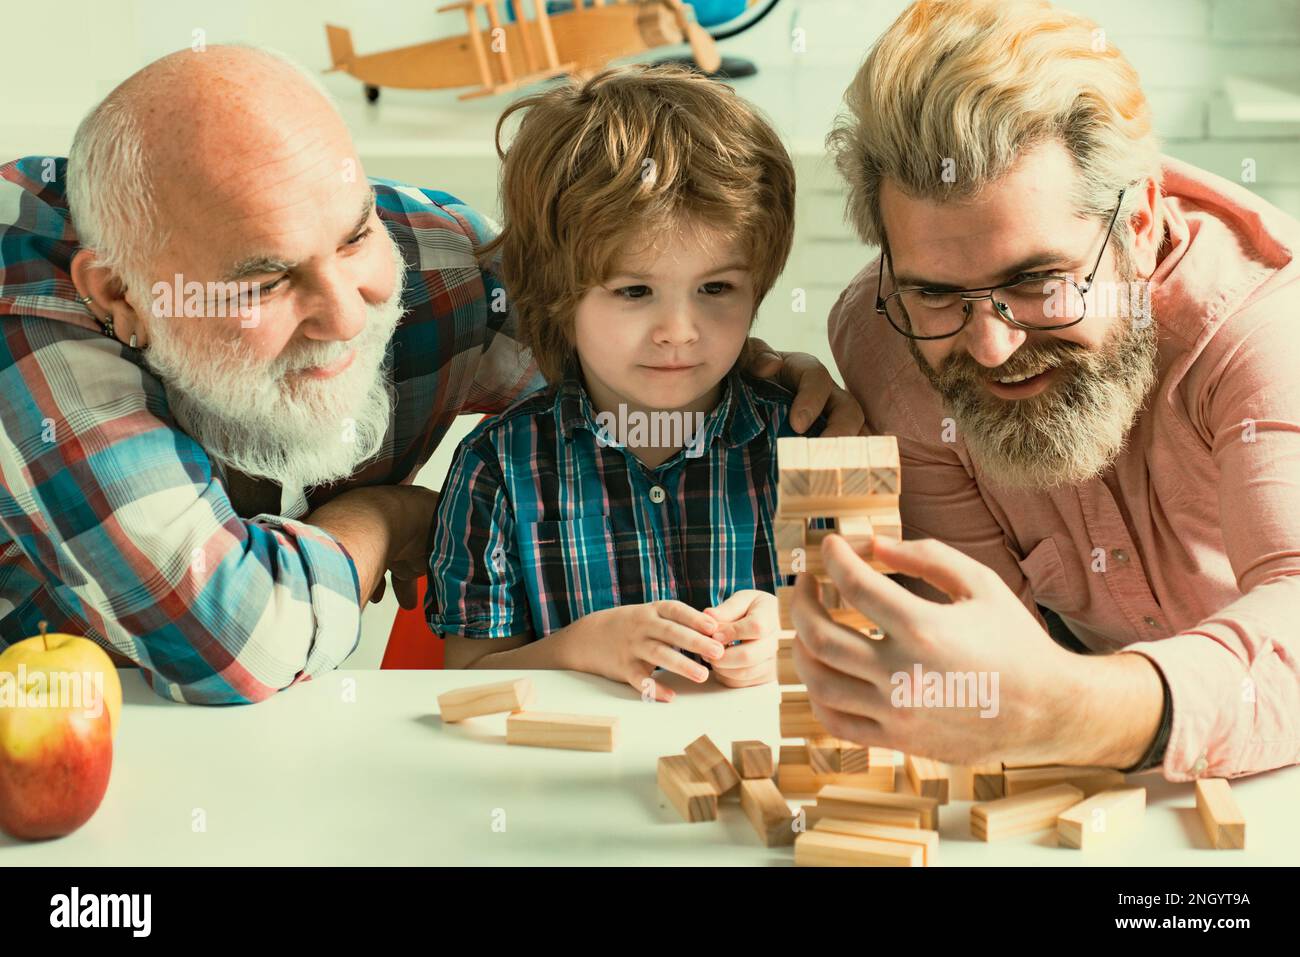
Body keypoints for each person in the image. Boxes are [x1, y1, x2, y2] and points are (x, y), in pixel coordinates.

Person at [0, 46, 862, 705]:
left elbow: (608, 323)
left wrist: (762, 368)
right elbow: (237, 636)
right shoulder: (31, 346)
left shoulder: (439, 264)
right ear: (122, 296)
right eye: (263, 280)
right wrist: (389, 515)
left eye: (353, 234)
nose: (346, 313)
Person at [795, 0, 1300, 781]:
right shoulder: (888, 339)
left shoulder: (1265, 329)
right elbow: (991, 653)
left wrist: (1068, 709)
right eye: (937, 293)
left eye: (1035, 281)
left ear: (1138, 224)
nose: (991, 346)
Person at [427, 66, 815, 701]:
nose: (679, 331)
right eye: (635, 291)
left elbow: (875, 645)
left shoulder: (813, 439)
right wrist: (579, 649)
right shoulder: (496, 467)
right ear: (558, 294)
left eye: (715, 288)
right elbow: (468, 682)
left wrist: (793, 638)